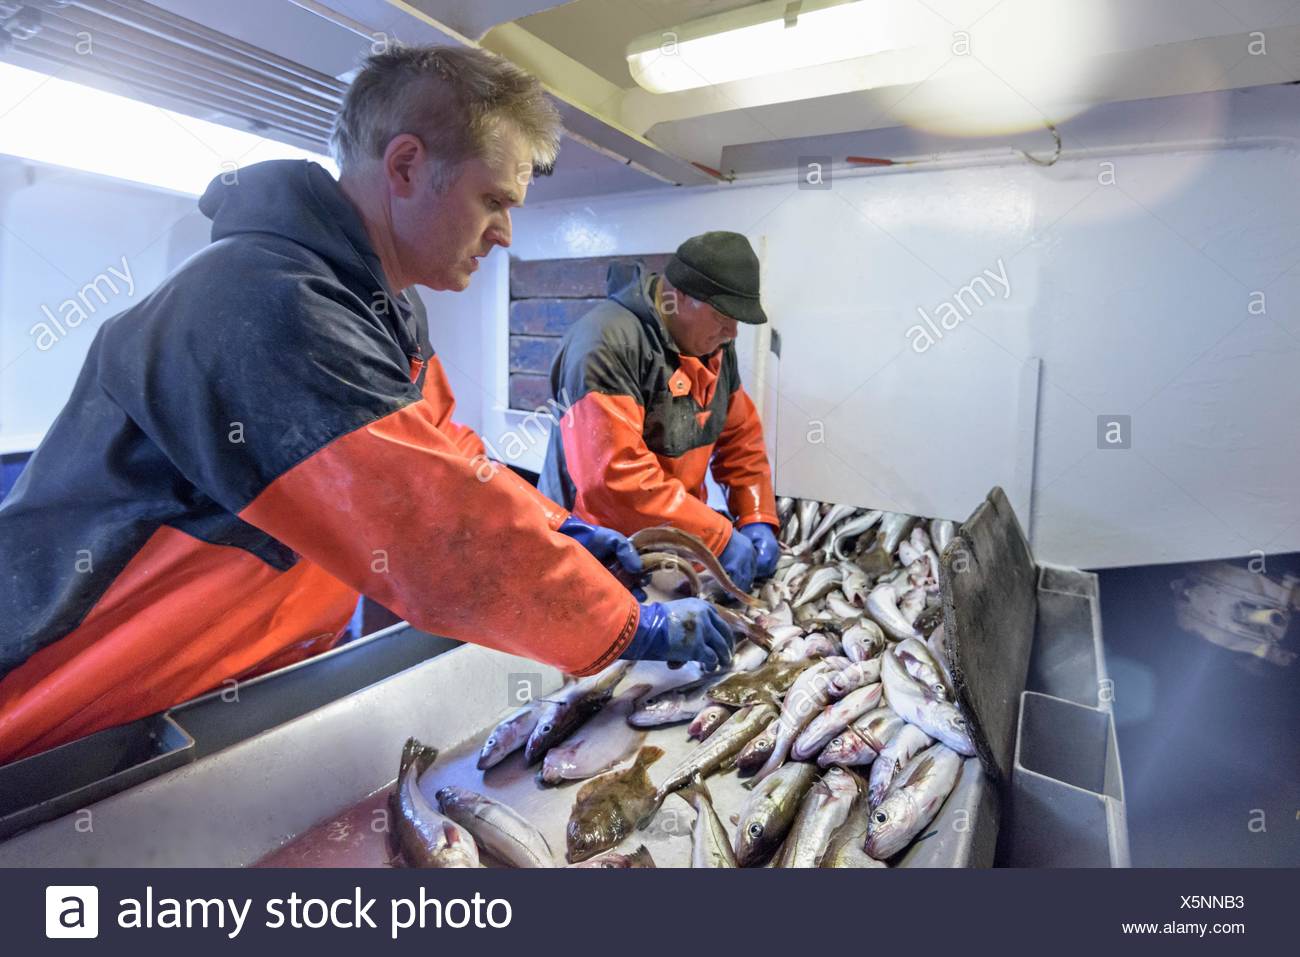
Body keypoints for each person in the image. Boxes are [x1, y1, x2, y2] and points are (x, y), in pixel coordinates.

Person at [0, 46, 733, 765]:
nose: (506, 232)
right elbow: (433, 527)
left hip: (225, 698)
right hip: (65, 712)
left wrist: (565, 527)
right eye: (494, 200)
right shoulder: (265, 302)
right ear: (407, 165)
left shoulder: (384, 311)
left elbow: (456, 460)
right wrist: (631, 624)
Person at [538, 232, 780, 594]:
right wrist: (717, 537)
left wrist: (755, 515)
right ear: (677, 296)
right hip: (590, 547)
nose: (732, 332)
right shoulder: (605, 342)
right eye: (722, 316)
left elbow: (738, 440)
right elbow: (616, 481)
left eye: (738, 320)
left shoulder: (714, 345)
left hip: (672, 545)